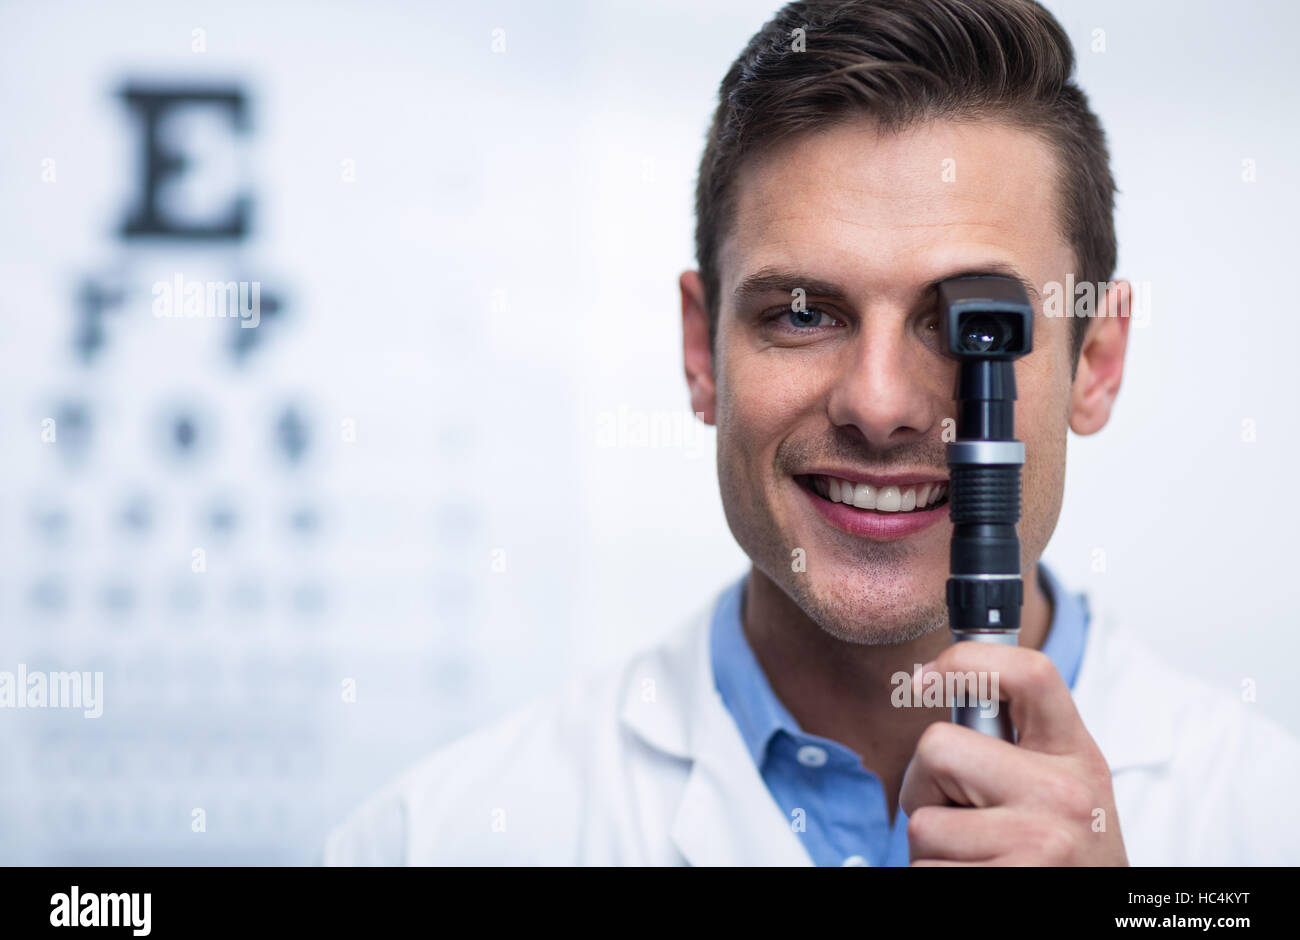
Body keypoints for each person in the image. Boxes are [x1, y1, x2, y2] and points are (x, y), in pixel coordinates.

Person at [323, 0, 1300, 866]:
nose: (878, 404)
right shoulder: (435, 838)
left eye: (964, 323)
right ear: (701, 353)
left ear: (1096, 360)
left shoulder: (1264, 820)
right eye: (801, 312)